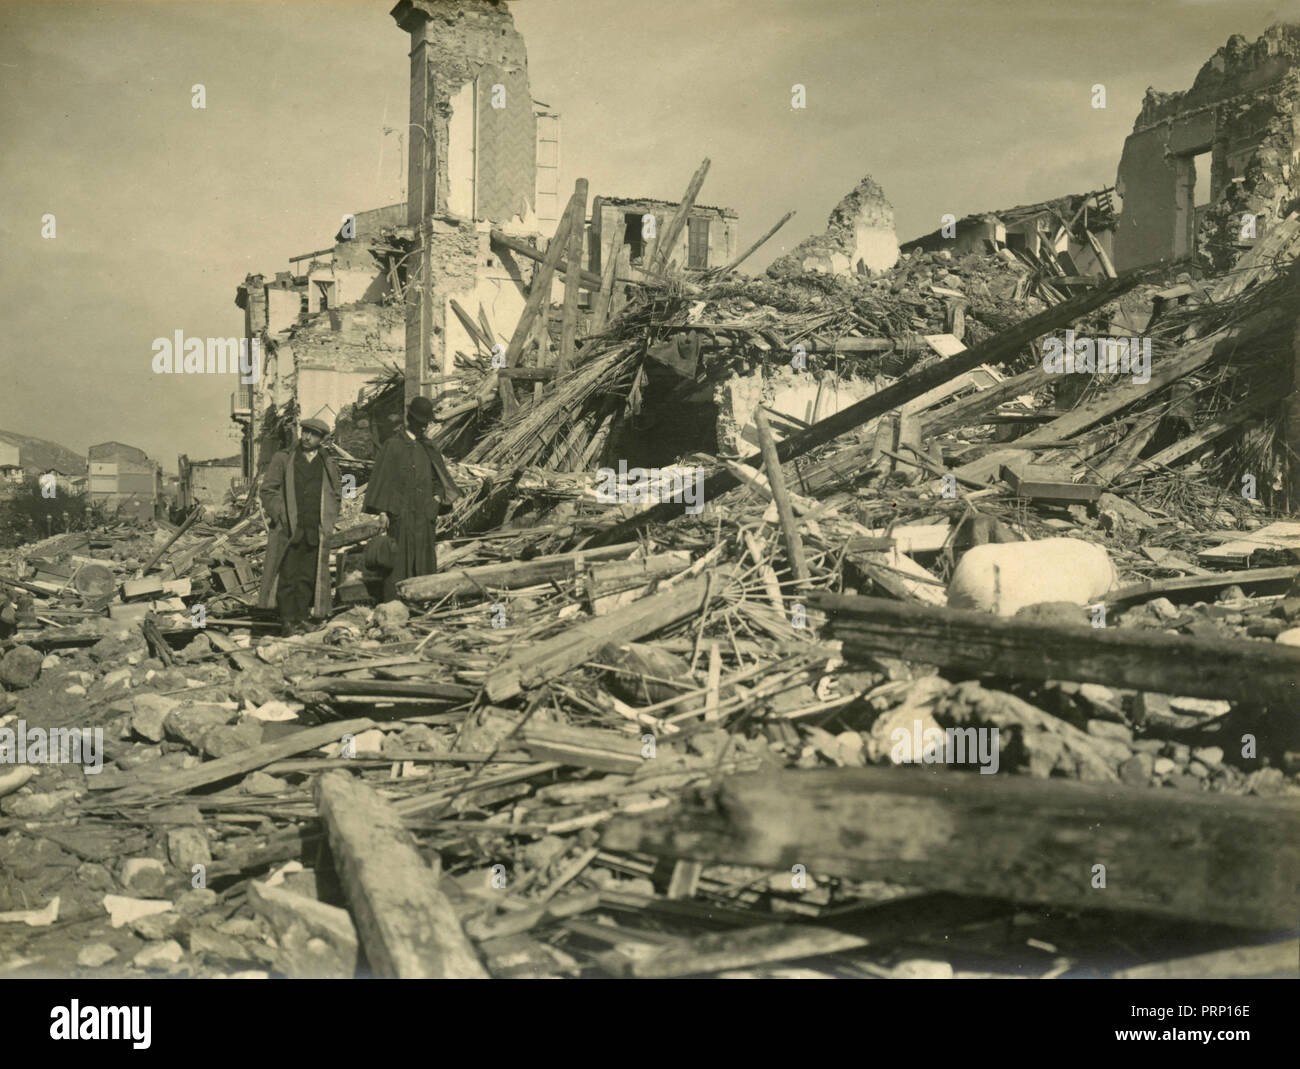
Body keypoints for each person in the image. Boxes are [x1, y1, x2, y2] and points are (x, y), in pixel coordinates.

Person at [363, 396, 462, 601]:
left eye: (425, 423)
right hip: (401, 514)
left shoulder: (428, 447)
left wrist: (435, 500)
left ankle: (422, 600)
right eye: (419, 422)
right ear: (410, 419)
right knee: (399, 560)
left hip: (424, 515)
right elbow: (383, 479)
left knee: (424, 559)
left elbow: (439, 479)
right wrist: (382, 511)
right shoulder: (393, 445)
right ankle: (396, 602)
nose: (423, 427)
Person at [258, 417, 342, 636]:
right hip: (289, 529)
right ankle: (287, 621)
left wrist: (329, 520)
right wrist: (280, 515)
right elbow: (268, 490)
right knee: (287, 575)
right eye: (305, 432)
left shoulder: (328, 463)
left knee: (307, 575)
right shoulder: (284, 458)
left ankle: (302, 618)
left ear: (322, 439)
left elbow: (336, 494)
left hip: (314, 529)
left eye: (313, 434)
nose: (307, 437)